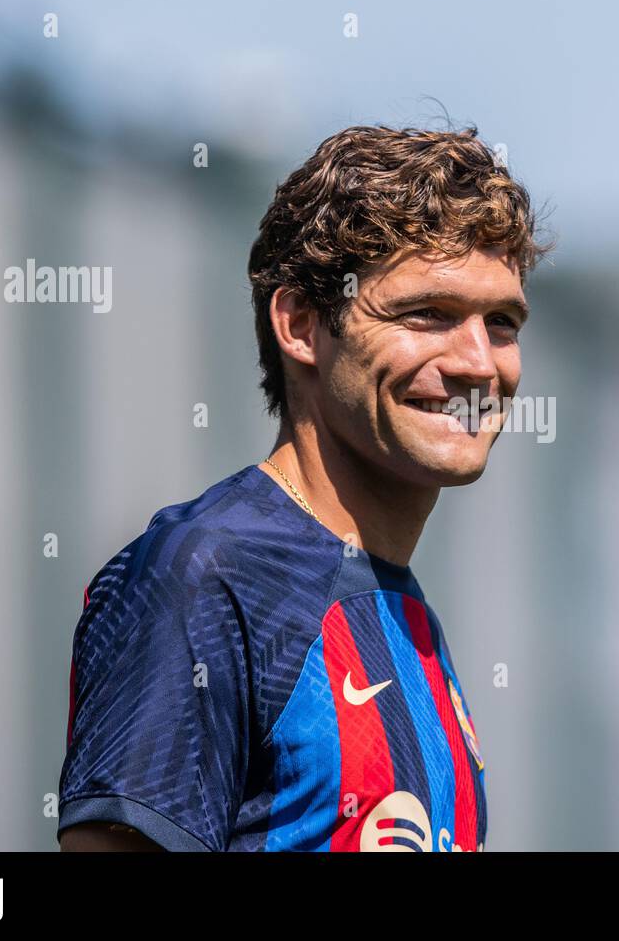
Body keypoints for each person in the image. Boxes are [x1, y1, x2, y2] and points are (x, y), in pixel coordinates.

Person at [56, 124, 552, 851]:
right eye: (428, 314)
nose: (480, 363)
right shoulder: (203, 578)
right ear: (300, 323)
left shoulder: (398, 610)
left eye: (502, 322)